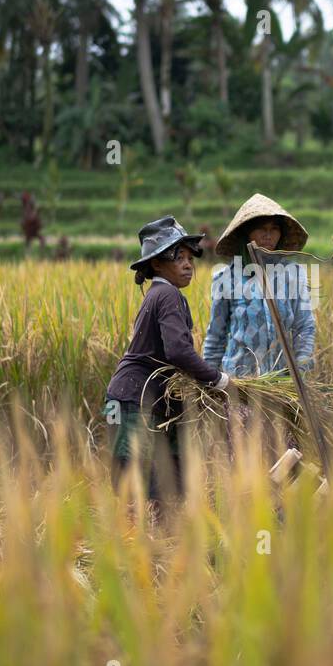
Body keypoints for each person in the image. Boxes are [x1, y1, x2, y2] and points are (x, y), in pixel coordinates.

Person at [104, 216, 230, 507]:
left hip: (139, 398)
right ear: (157, 264)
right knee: (139, 484)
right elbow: (178, 352)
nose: (188, 264)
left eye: (190, 258)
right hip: (134, 399)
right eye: (178, 258)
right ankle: (140, 546)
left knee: (166, 480)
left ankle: (164, 543)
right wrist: (218, 379)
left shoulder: (159, 294)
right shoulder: (167, 294)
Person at [202, 193, 316, 378]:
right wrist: (209, 382)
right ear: (246, 233)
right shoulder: (226, 278)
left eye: (274, 229)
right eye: (261, 229)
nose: (268, 235)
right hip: (239, 383)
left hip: (283, 381)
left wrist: (300, 369)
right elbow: (216, 336)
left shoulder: (293, 274)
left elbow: (305, 327)